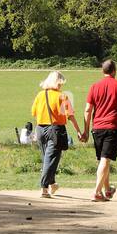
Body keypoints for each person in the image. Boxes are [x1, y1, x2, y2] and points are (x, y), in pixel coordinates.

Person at [83, 59, 117, 202]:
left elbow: (87, 110)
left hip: (97, 127)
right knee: (105, 159)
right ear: (114, 71)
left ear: (102, 71)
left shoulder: (94, 86)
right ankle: (97, 192)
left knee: (103, 160)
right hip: (112, 127)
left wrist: (86, 130)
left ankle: (107, 190)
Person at [31, 71, 83, 199]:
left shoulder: (40, 95)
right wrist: (78, 131)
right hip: (56, 130)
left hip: (40, 128)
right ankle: (44, 188)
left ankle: (52, 183)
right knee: (51, 160)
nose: (61, 86)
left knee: (47, 159)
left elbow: (34, 113)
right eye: (60, 83)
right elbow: (70, 116)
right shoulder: (62, 96)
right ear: (58, 83)